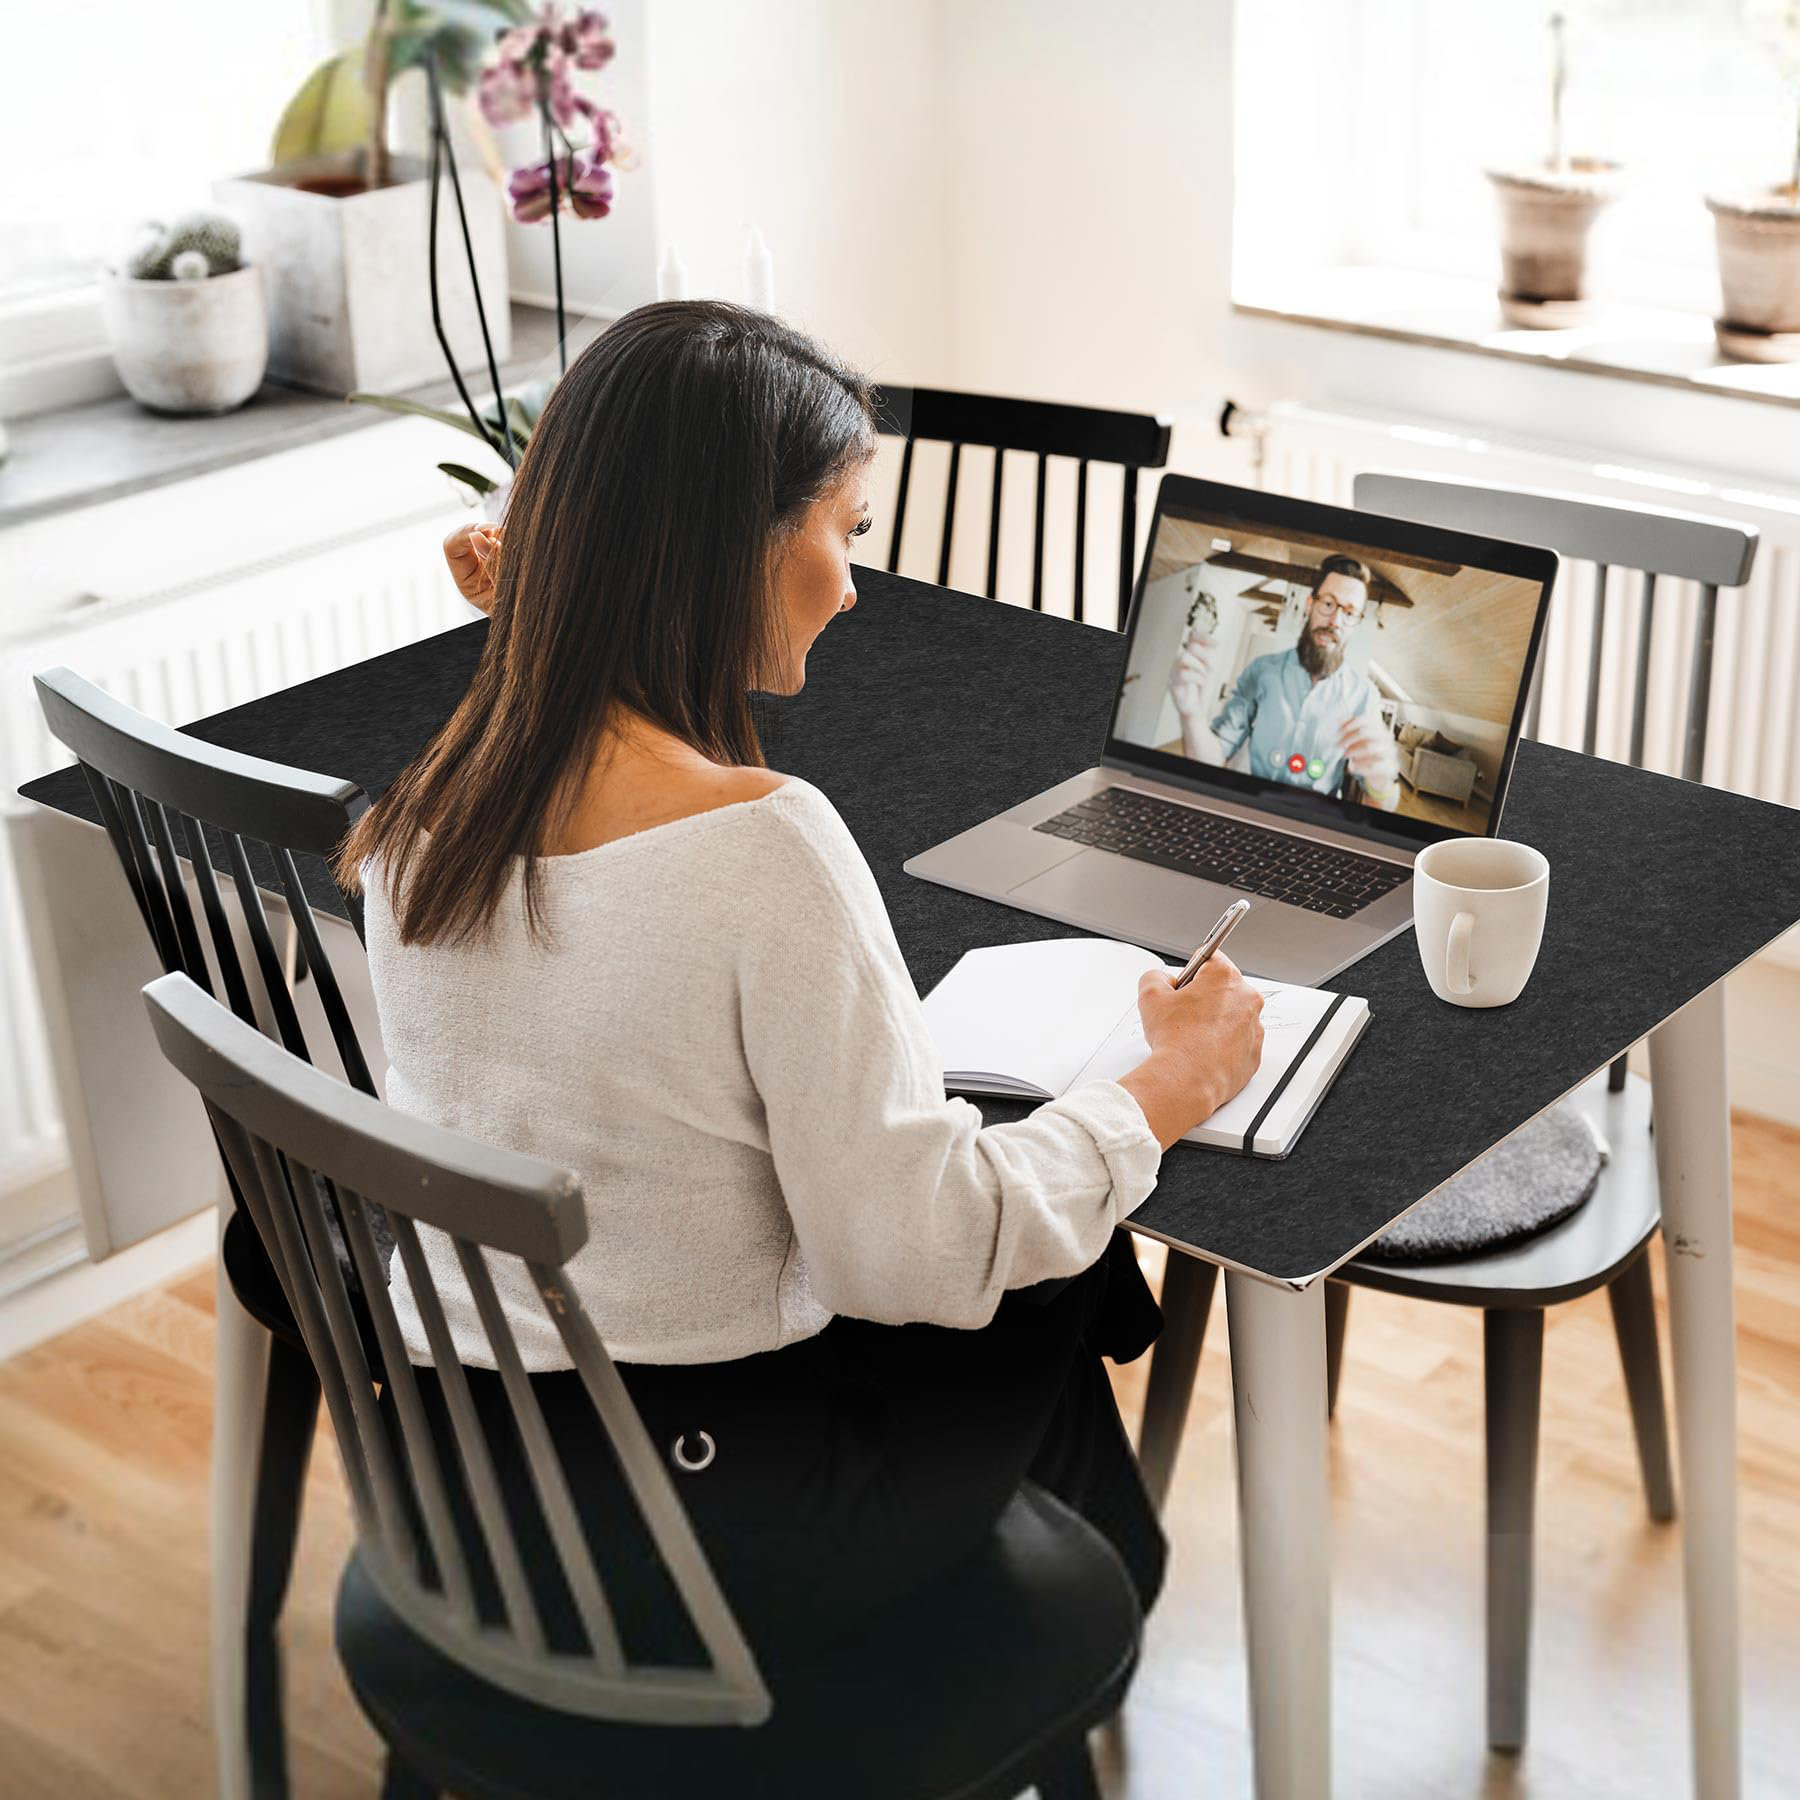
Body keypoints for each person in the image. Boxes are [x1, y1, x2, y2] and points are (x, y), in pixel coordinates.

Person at [339, 301, 1265, 1667]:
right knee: (1053, 1269)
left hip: (472, 1483)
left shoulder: (422, 814)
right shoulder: (762, 845)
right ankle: (1083, 1621)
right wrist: (1165, 1089)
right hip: (702, 1530)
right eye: (847, 529)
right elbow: (909, 1257)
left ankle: (1096, 1589)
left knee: (1050, 1255)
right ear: (732, 549)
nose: (852, 583)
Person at [1168, 554, 1402, 810]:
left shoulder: (1364, 695)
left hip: (1322, 823)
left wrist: (1381, 782)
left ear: (1356, 623)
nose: (1335, 621)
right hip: (1252, 808)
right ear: (1309, 604)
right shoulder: (1261, 671)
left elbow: (1382, 806)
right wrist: (1191, 714)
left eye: (1349, 613)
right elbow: (1211, 762)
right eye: (1328, 604)